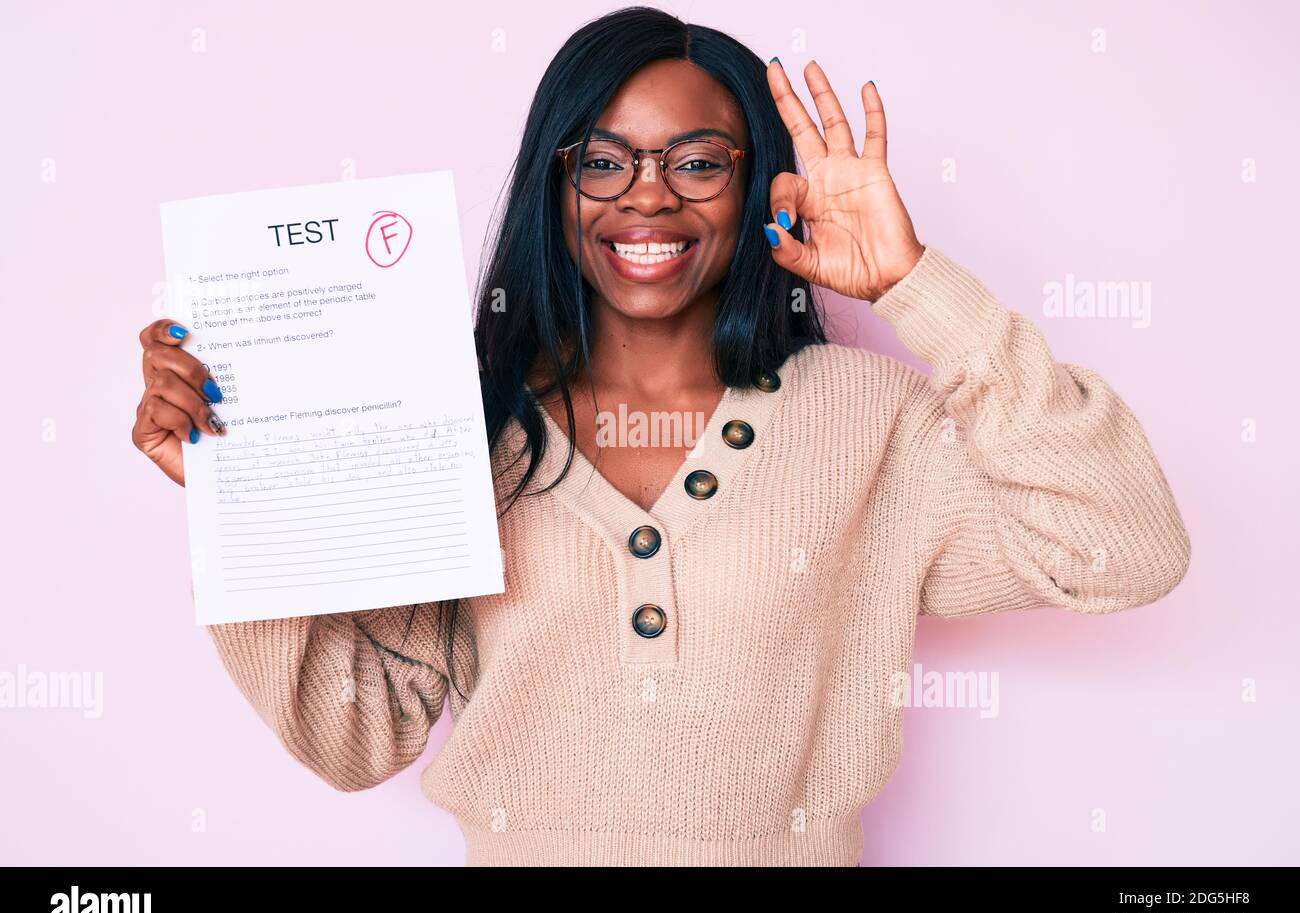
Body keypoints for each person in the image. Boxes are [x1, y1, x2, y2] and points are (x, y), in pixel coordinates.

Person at [131, 6, 1190, 866]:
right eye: (604, 161)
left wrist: (918, 287)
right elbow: (356, 736)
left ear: (757, 184)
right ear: (557, 185)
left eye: (697, 161)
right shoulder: (456, 426)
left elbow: (1124, 550)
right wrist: (239, 500)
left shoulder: (871, 423)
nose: (647, 196)